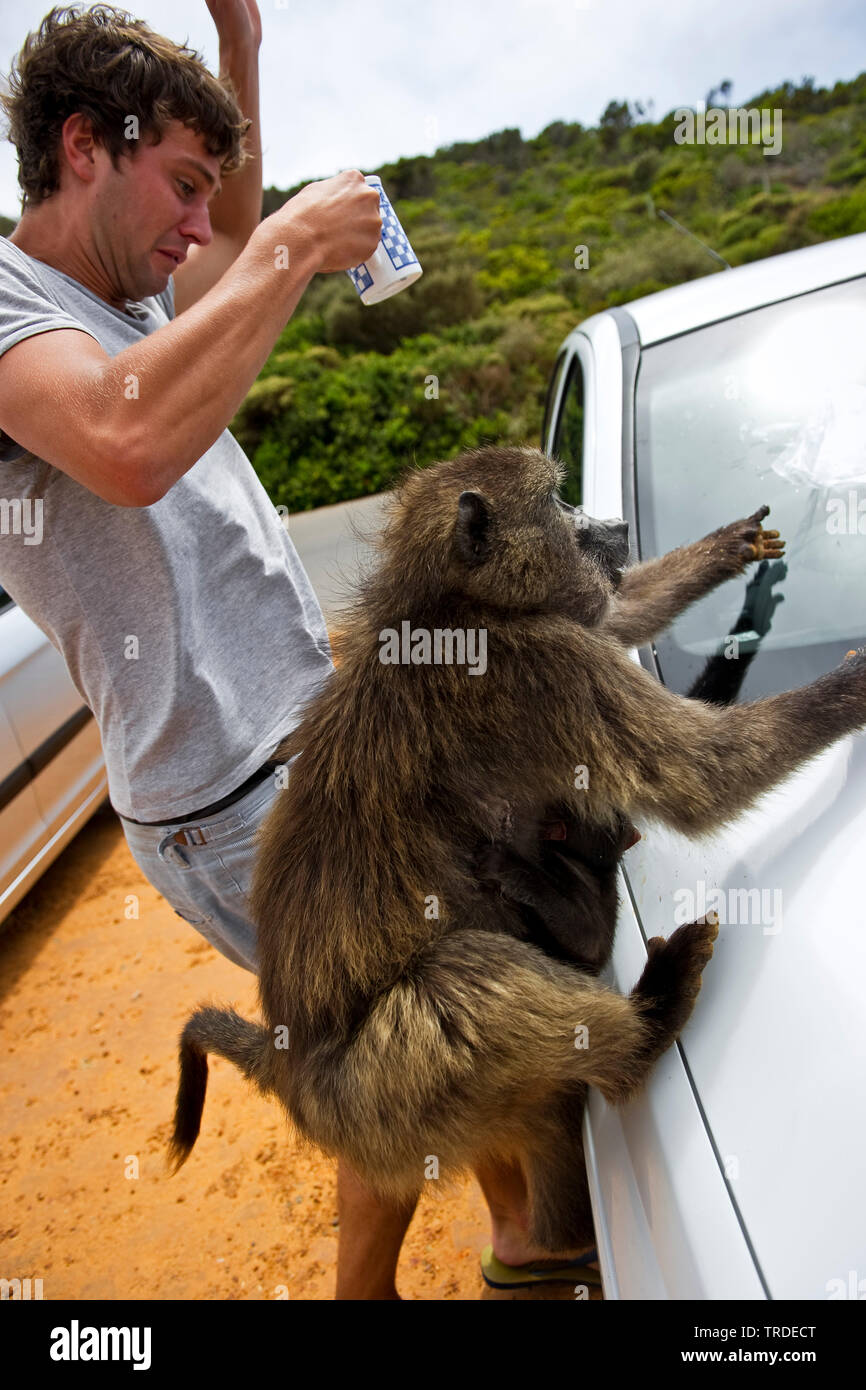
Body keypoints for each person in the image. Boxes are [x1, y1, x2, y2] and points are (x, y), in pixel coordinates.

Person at [0, 2, 597, 1299]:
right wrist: (283, 245)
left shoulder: (137, 295)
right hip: (227, 795)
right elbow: (123, 440)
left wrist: (242, 42)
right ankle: (482, 1254)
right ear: (83, 146)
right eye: (180, 186)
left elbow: (227, 230)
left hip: (298, 751)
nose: (198, 226)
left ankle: (524, 1233)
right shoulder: (11, 308)